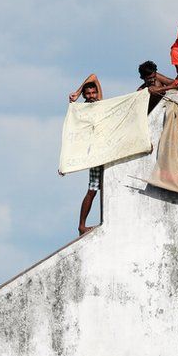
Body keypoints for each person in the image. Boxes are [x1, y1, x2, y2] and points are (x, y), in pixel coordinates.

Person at [67, 74, 104, 235]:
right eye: (87, 94)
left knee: (107, 187)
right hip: (94, 153)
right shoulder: (81, 110)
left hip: (106, 151)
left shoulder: (100, 104)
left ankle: (105, 221)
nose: (91, 97)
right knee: (93, 189)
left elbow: (94, 76)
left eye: (93, 93)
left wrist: (77, 90)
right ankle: (82, 225)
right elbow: (72, 135)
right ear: (84, 96)